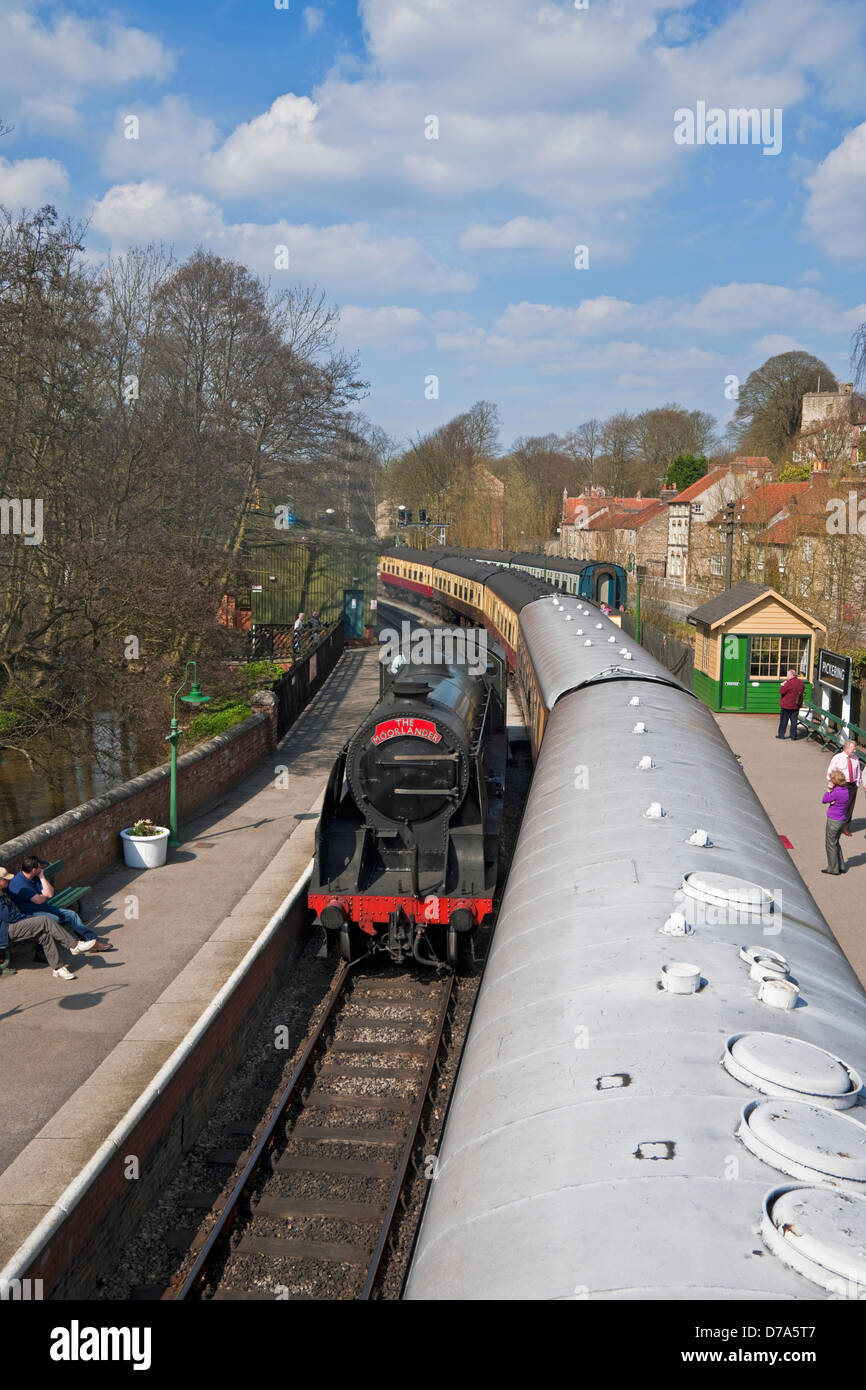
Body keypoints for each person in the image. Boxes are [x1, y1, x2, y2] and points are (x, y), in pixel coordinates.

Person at [0, 868, 97, 980]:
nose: (8, 881)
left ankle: (58, 968)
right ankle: (74, 945)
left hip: (13, 925)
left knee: (44, 934)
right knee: (44, 920)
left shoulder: (3, 890)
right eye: (5, 879)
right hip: (5, 930)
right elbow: (11, 917)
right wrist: (30, 919)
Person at [8, 857, 113, 950]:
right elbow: (39, 900)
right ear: (33, 870)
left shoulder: (35, 877)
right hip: (30, 914)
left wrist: (42, 877)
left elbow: (50, 894)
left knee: (71, 915)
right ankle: (42, 952)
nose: (42, 869)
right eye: (40, 868)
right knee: (55, 919)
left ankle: (92, 941)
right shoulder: (19, 884)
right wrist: (43, 896)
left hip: (43, 907)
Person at [827, 740, 862, 838]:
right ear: (846, 748)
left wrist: (857, 783)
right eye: (853, 748)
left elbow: (858, 771)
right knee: (839, 806)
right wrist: (831, 784)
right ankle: (835, 824)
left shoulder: (855, 759)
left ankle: (845, 827)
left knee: (850, 807)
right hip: (841, 785)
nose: (854, 750)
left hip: (852, 785)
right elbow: (831, 771)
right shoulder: (837, 758)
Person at [821, 771, 850, 875]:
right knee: (836, 842)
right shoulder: (845, 790)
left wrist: (828, 789)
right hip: (841, 820)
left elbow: (824, 800)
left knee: (830, 844)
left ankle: (833, 868)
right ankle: (841, 866)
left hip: (834, 820)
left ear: (834, 782)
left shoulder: (836, 792)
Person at [777, 667, 805, 740]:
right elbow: (801, 692)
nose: (787, 676)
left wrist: (783, 685)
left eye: (788, 675)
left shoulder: (788, 683)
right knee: (794, 721)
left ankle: (781, 734)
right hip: (795, 705)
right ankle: (793, 736)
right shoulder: (801, 683)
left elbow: (781, 691)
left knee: (783, 720)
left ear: (792, 675)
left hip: (786, 705)